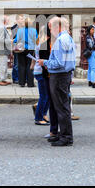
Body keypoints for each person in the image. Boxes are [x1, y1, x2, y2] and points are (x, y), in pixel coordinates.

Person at [38, 17, 76, 147]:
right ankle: (64, 133)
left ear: (57, 27)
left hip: (59, 76)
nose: (51, 31)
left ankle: (66, 137)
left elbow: (59, 63)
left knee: (61, 107)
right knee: (62, 106)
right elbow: (71, 61)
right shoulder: (68, 38)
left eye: (51, 28)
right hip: (64, 75)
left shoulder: (60, 40)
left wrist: (45, 62)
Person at [31, 26, 50, 125]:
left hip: (38, 70)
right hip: (40, 71)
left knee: (46, 95)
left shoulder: (40, 41)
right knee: (44, 96)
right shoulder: (43, 44)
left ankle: (43, 114)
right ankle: (38, 117)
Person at [0, 15, 12, 86]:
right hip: (2, 50)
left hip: (3, 49)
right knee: (2, 65)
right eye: (8, 20)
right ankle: (0, 80)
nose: (9, 21)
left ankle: (3, 79)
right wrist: (10, 40)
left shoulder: (2, 27)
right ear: (4, 21)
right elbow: (1, 40)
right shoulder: (2, 28)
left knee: (4, 65)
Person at [10, 14, 24, 84]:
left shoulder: (24, 27)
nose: (22, 20)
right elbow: (15, 37)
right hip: (17, 48)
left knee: (21, 63)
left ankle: (21, 77)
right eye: (21, 19)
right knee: (16, 64)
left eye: (22, 19)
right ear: (17, 20)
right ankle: (15, 78)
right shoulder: (14, 27)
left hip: (23, 48)